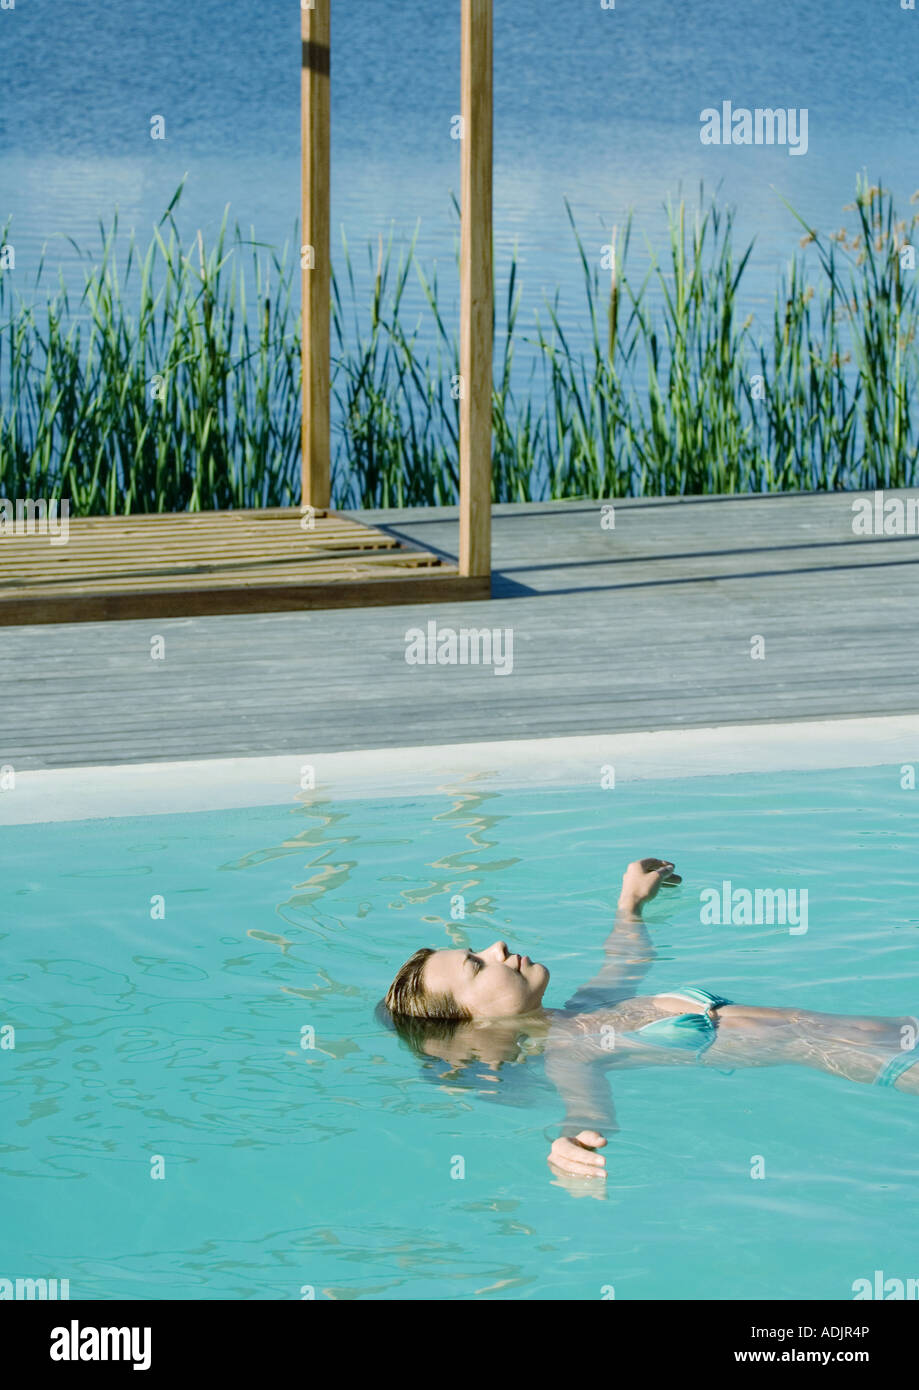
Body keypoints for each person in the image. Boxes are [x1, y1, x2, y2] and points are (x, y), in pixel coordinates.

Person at [380, 858, 919, 1189]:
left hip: (890, 1028)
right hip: (875, 1060)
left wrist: (629, 904)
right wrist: (571, 1144)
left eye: (477, 948)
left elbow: (625, 960)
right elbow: (589, 1113)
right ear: (473, 1025)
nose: (496, 946)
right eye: (477, 964)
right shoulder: (570, 1050)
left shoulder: (586, 1011)